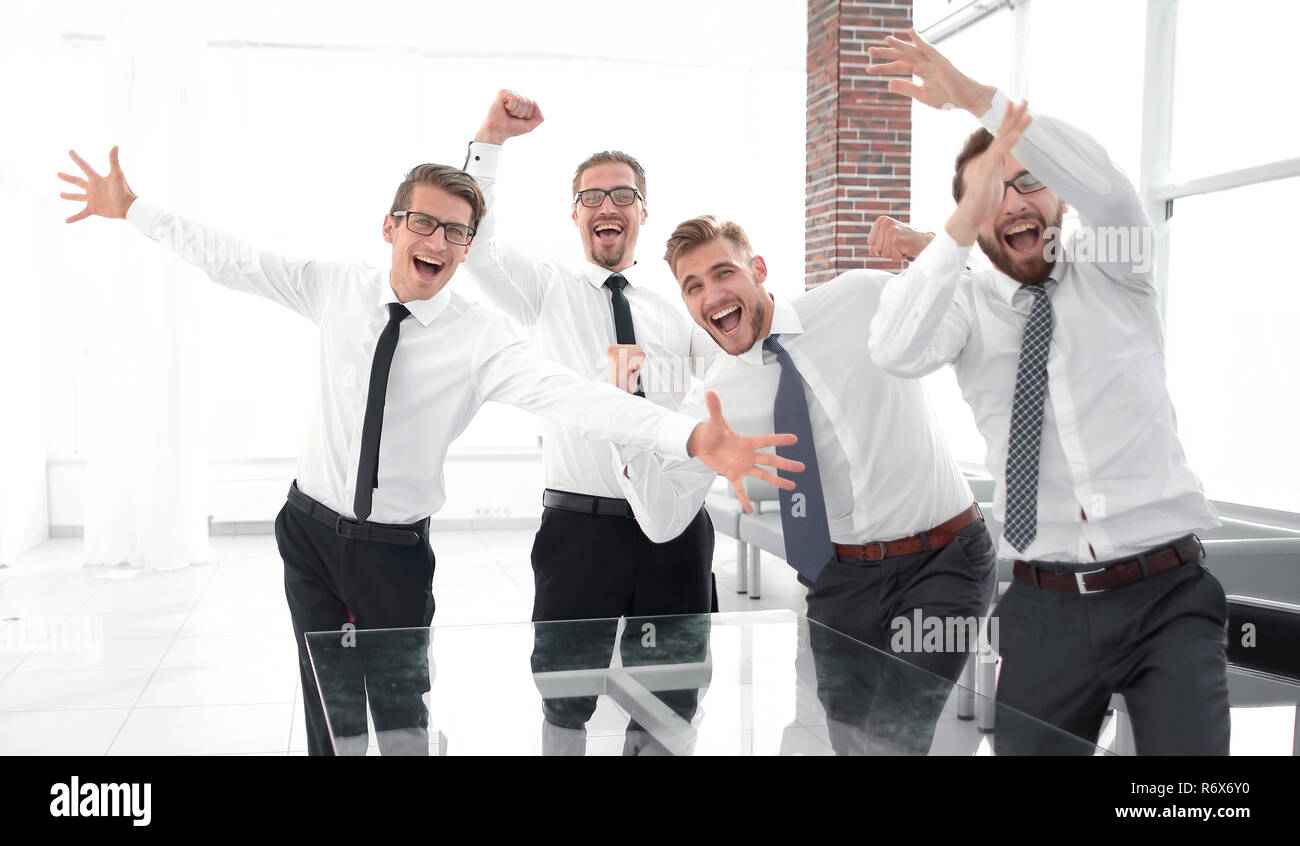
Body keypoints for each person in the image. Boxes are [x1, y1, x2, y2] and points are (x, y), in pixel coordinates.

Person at [57, 147, 800, 757]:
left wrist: (690, 434)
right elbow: (235, 261)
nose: (438, 242)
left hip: (396, 552)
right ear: (391, 227)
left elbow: (574, 395)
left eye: (456, 233)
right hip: (310, 531)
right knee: (334, 712)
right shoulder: (335, 288)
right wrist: (135, 209)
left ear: (469, 248)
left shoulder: (483, 338)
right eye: (425, 224)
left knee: (403, 717)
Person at [865, 29, 1229, 755]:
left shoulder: (1116, 267)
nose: (1013, 202)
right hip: (1044, 604)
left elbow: (1110, 189)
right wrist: (957, 230)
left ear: (1057, 193)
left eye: (1029, 181)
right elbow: (894, 350)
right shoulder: (964, 305)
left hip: (1169, 593)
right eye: (994, 193)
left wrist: (976, 100)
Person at [612, 215, 998, 755]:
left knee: (893, 736)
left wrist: (927, 247)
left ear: (759, 270)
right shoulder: (720, 399)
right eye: (693, 286)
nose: (712, 294)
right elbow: (663, 518)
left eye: (724, 273)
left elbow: (980, 298)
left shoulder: (859, 297)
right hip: (841, 582)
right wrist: (623, 419)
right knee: (848, 741)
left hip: (944, 560)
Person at [461, 91, 723, 755]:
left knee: (670, 694)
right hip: (581, 530)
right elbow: (478, 248)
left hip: (672, 533)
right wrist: (490, 140)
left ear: (642, 212)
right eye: (593, 197)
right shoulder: (546, 289)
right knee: (564, 691)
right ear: (575, 212)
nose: (608, 207)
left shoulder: (674, 310)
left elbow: (728, 376)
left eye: (622, 195)